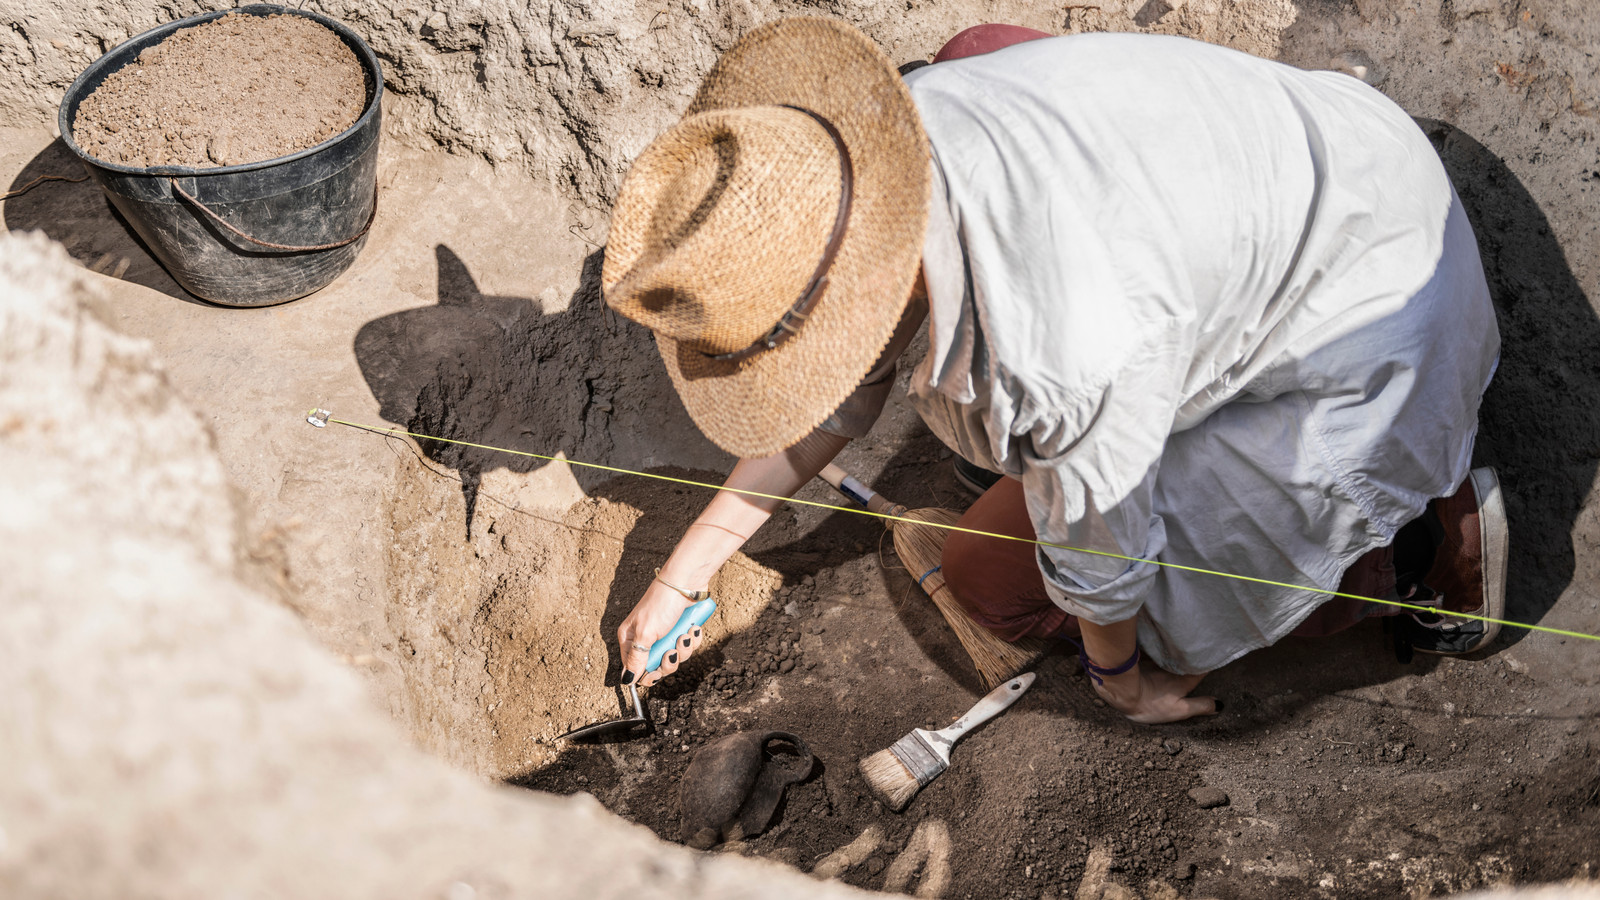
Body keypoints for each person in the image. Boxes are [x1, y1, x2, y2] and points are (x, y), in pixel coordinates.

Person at [599, 19, 1505, 724]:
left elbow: (1101, 559)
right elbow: (838, 398)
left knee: (989, 579)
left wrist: (1123, 683)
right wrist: (683, 576)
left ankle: (1415, 548)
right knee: (982, 50)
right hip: (1336, 158)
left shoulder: (1054, 353)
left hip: (1379, 338)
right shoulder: (908, 121)